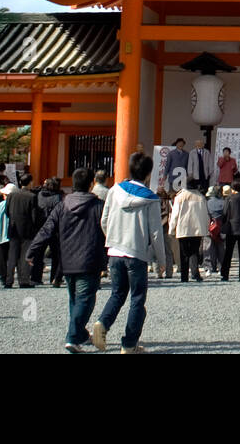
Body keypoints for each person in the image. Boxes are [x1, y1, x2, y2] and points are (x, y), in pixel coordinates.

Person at [92, 152, 167, 354]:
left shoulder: (114, 191)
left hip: (115, 251)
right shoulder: (151, 199)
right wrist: (161, 260)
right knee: (137, 299)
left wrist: (113, 239)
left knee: (117, 293)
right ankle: (129, 344)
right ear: (148, 174)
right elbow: (156, 232)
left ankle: (102, 323)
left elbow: (104, 220)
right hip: (137, 253)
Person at [28, 167, 107, 352]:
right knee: (86, 300)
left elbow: (47, 229)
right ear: (91, 185)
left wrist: (33, 250)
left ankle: (79, 334)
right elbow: (108, 230)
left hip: (67, 260)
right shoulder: (98, 206)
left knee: (75, 300)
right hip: (89, 259)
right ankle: (73, 337)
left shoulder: (62, 205)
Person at [169, 179, 210, 282]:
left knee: (184, 253)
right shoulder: (201, 197)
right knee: (194, 252)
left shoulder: (179, 197)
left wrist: (172, 229)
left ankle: (184, 276)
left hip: (183, 229)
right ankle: (195, 273)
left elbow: (175, 215)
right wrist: (206, 228)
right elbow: (206, 215)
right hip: (197, 229)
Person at [5, 173, 40, 288]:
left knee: (12, 256)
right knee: (24, 256)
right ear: (30, 182)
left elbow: (7, 212)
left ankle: (8, 280)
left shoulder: (11, 195)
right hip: (27, 230)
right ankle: (24, 280)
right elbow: (34, 216)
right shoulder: (32, 196)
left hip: (13, 228)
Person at [33, 177, 64, 286]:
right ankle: (54, 277)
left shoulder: (39, 195)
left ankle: (36, 277)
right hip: (54, 228)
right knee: (56, 254)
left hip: (41, 227)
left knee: (39, 252)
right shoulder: (57, 198)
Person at [0, 182, 15, 287]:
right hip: (14, 235)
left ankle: (3, 277)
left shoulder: (1, 205)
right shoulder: (16, 204)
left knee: (2, 258)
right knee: (12, 258)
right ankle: (10, 277)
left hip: (2, 235)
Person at [204, 183, 226, 275]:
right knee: (221, 248)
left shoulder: (207, 203)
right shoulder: (223, 202)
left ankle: (208, 267)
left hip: (209, 227)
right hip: (221, 227)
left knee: (208, 248)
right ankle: (221, 267)